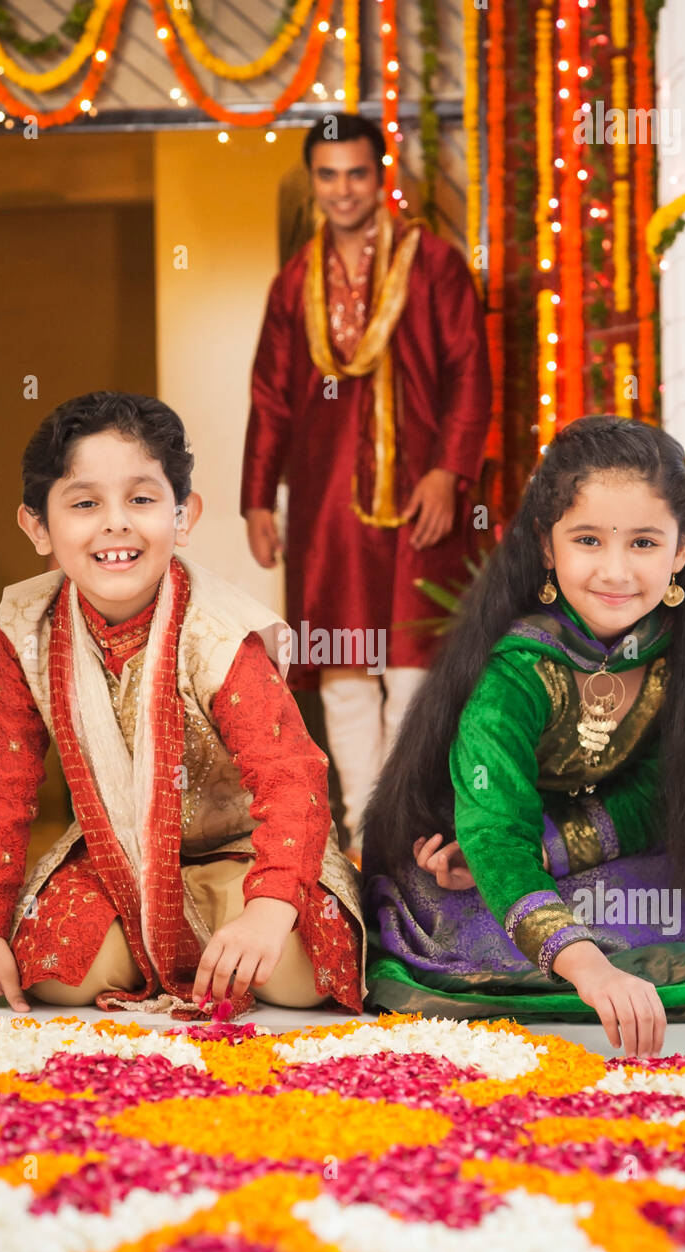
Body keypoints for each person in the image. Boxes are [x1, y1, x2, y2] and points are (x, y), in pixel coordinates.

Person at [0, 391, 366, 1020]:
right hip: (116, 857)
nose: (117, 523)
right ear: (37, 526)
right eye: (85, 502)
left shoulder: (216, 632)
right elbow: (0, 783)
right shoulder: (29, 627)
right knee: (57, 974)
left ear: (183, 516)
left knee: (299, 974)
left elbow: (293, 778)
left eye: (142, 499)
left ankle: (212, 928)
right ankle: (164, 937)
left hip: (243, 858)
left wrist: (268, 909)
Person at [361, 415, 685, 1056]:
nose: (616, 572)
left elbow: (671, 797)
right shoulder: (513, 672)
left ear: (681, 551)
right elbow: (496, 836)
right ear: (547, 545)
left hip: (601, 852)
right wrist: (588, 967)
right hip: (480, 866)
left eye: (644, 544)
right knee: (449, 916)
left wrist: (556, 848)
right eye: (588, 540)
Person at [242, 114, 491, 852]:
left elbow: (468, 375)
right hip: (326, 502)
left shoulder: (434, 265)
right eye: (328, 175)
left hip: (423, 494)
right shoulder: (294, 282)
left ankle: (408, 828)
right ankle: (361, 835)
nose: (342, 189)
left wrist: (450, 472)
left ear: (381, 176)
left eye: (356, 173)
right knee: (344, 666)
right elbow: (270, 395)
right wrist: (259, 496)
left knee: (415, 664)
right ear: (312, 182)